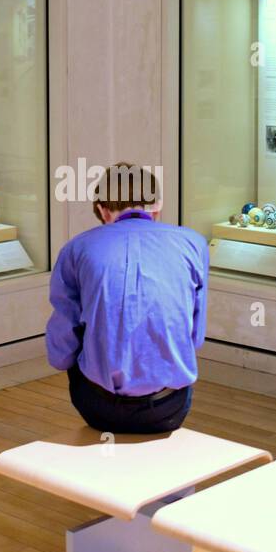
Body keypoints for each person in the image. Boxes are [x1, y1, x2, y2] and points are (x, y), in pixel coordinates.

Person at [45, 162, 209, 434]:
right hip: (170, 406)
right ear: (157, 206)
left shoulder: (76, 249)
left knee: (78, 343)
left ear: (102, 210)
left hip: (99, 407)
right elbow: (195, 338)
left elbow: (60, 353)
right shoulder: (193, 244)